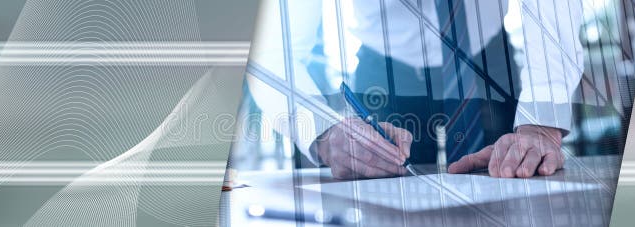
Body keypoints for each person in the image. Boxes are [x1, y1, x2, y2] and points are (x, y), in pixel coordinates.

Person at [246, 0, 584, 179]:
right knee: (381, 195)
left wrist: (541, 121)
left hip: (486, 59)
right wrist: (324, 133)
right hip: (386, 71)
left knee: (514, 180)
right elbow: (272, 50)